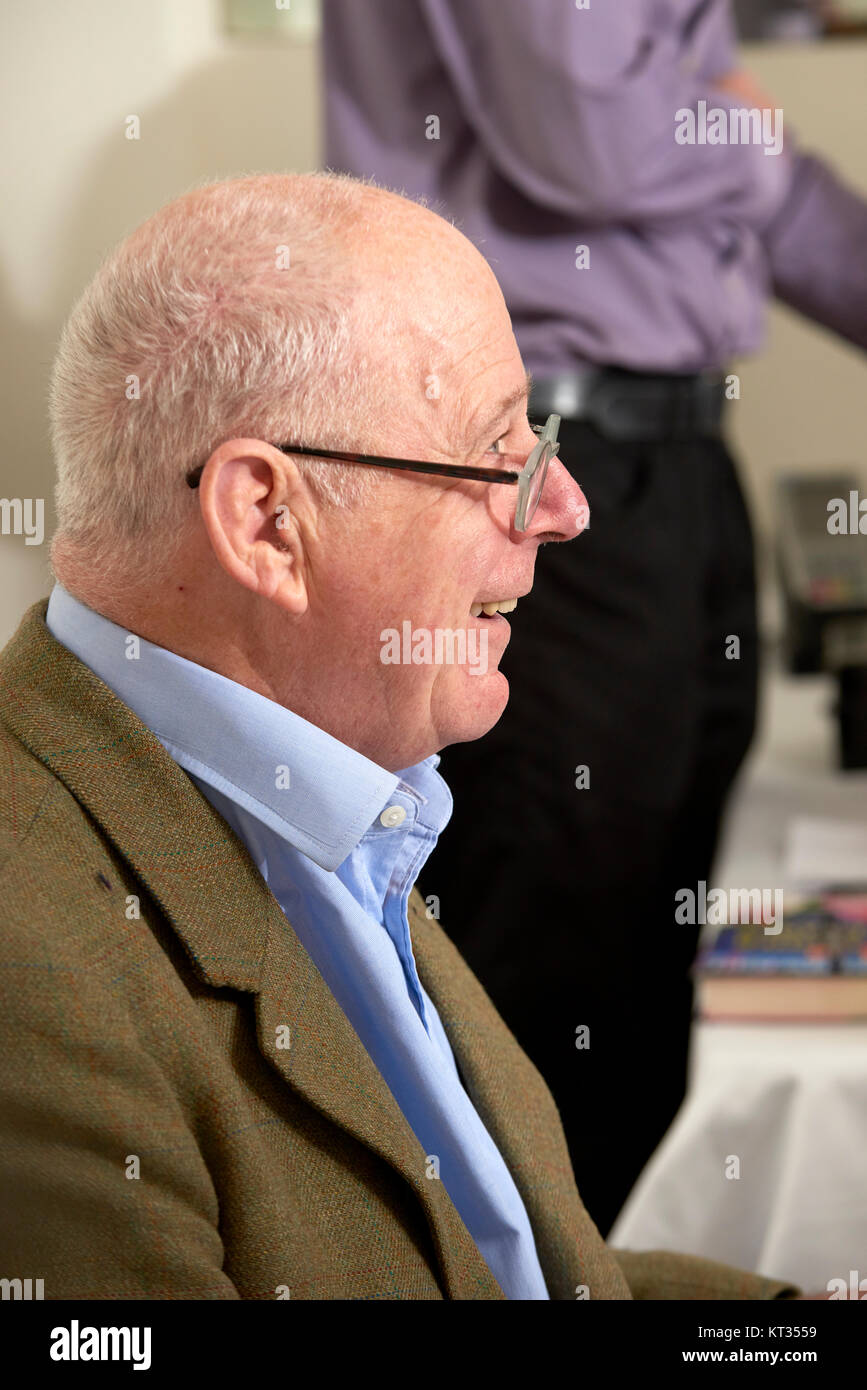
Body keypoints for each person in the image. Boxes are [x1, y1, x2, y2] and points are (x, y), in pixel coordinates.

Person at [0, 172, 803, 1300]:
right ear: (270, 523)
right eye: (496, 457)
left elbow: (491, 1264)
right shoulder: (34, 977)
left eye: (542, 436)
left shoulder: (336, 784)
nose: (563, 505)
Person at [323, 0, 867, 1235]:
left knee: (646, 961)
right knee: (547, 966)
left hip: (675, 468)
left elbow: (738, 178)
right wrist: (744, 128)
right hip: (550, 474)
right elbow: (591, 134)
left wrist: (730, 120)